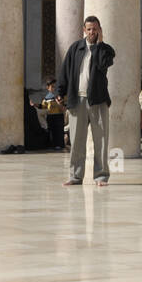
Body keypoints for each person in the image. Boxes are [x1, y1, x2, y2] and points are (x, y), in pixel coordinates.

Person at [57, 15, 114, 187]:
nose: (92, 32)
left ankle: (101, 176)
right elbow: (65, 70)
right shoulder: (76, 48)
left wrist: (99, 45)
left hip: (98, 100)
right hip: (77, 99)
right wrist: (60, 91)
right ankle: (75, 176)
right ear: (84, 30)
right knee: (77, 140)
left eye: (95, 29)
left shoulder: (106, 50)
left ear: (99, 30)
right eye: (89, 29)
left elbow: (103, 65)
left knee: (101, 140)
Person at [34, 78, 66, 149]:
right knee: (51, 131)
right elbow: (43, 107)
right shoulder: (47, 98)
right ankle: (52, 145)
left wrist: (59, 103)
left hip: (58, 116)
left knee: (58, 131)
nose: (54, 88)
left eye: (55, 86)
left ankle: (59, 145)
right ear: (48, 88)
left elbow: (63, 108)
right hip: (50, 116)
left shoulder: (59, 96)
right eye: (52, 86)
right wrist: (36, 105)